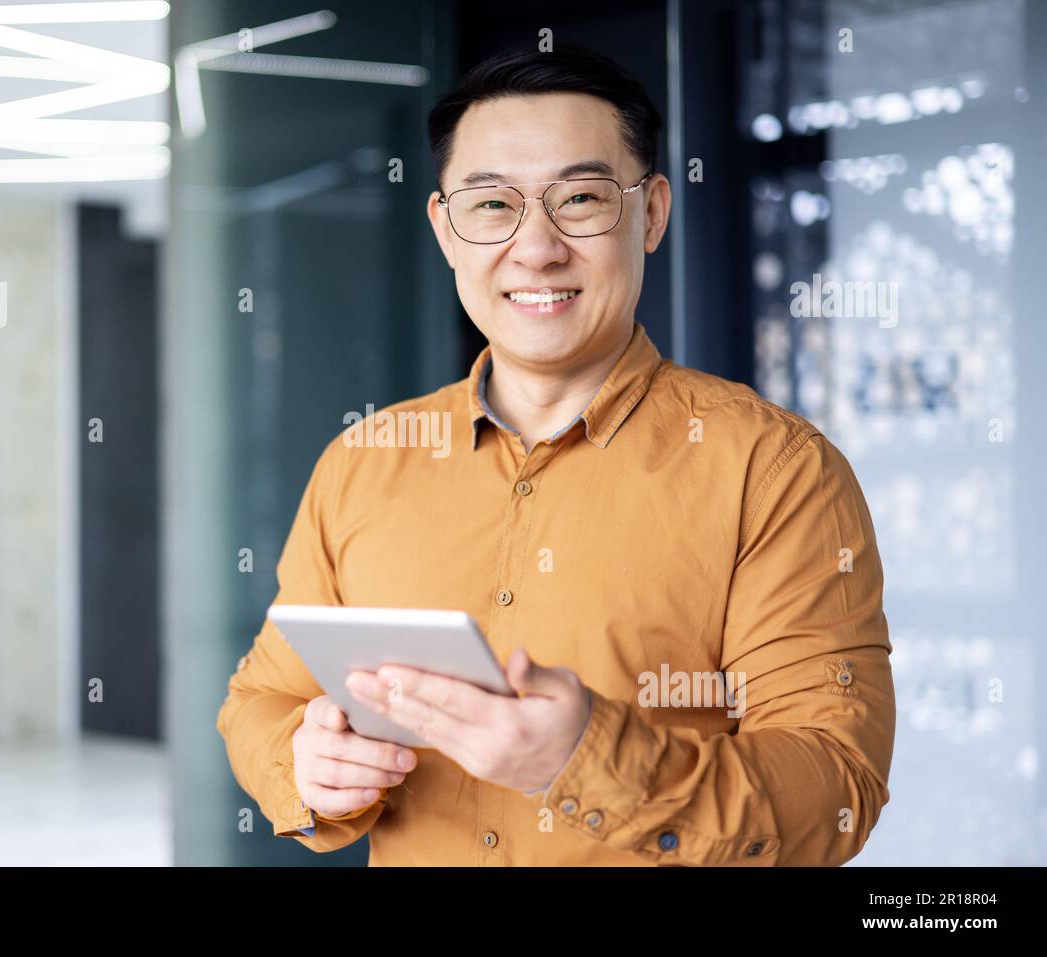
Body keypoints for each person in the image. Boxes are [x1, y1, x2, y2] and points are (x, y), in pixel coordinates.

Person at [216, 44, 895, 865]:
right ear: (444, 229)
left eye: (579, 198)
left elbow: (837, 788)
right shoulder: (363, 460)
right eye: (493, 205)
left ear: (651, 214)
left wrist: (588, 760)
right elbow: (264, 695)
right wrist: (301, 761)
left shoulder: (775, 471)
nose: (535, 249)